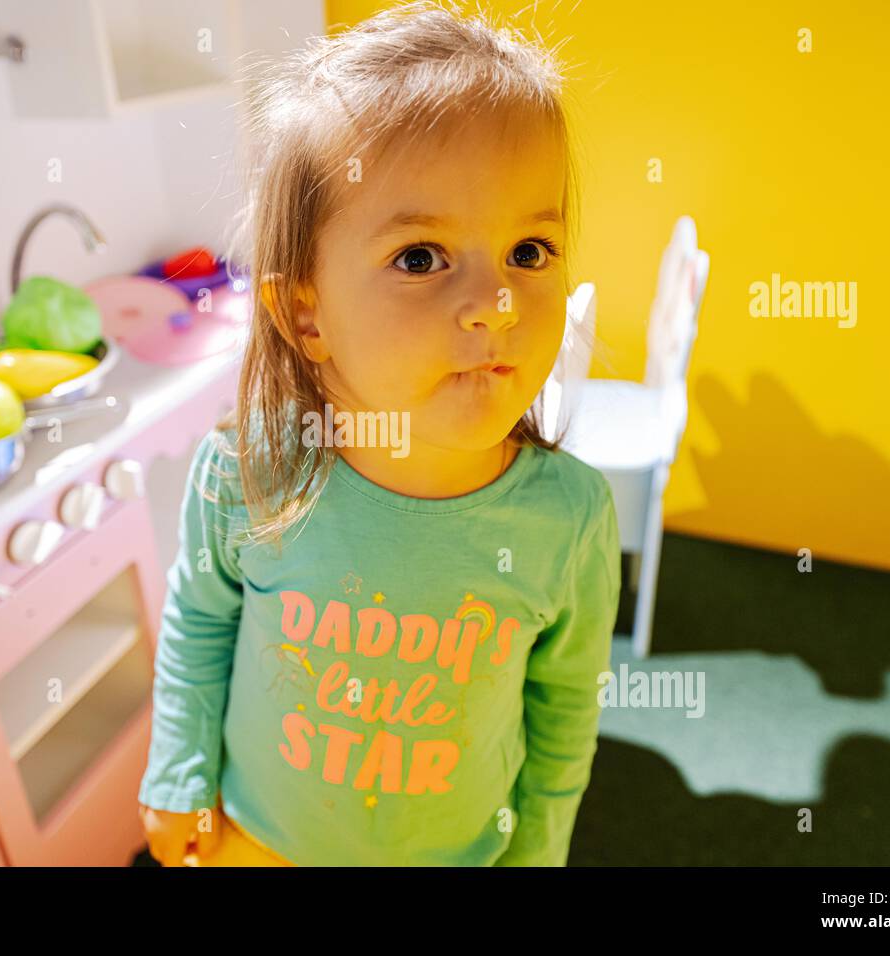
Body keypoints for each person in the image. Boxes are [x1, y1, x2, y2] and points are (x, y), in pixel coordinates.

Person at [138, 0, 620, 867]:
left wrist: (540, 850)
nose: (497, 306)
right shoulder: (246, 473)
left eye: (530, 252)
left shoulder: (571, 517)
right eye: (421, 258)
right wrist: (177, 776)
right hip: (258, 842)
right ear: (306, 313)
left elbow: (566, 704)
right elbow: (199, 623)